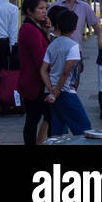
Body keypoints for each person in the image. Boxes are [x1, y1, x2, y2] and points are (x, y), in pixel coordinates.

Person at [42, 10, 91, 138]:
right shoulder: (73, 46)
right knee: (84, 128)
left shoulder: (52, 45)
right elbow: (66, 72)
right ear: (75, 28)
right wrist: (56, 91)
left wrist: (51, 89)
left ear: (57, 25)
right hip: (65, 92)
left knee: (57, 130)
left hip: (51, 92)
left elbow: (43, 70)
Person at [17, 0, 52, 145]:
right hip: (35, 83)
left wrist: (45, 31)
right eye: (40, 8)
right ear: (29, 11)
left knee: (39, 118)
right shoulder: (29, 30)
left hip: (36, 81)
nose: (44, 12)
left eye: (46, 9)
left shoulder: (35, 27)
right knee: (36, 119)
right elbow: (41, 59)